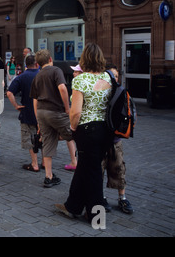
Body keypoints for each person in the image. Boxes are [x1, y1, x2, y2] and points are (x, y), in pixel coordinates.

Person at [54, 43, 114, 223]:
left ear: (84, 59)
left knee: (93, 171)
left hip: (87, 130)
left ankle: (96, 214)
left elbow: (76, 112)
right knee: (85, 167)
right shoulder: (108, 78)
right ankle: (72, 205)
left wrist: (73, 128)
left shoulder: (80, 80)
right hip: (105, 129)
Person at [30, 49, 77, 187]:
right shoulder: (56, 70)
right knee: (74, 134)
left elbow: (35, 100)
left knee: (48, 142)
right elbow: (62, 88)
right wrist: (67, 108)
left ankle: (48, 177)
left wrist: (38, 119)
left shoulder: (37, 76)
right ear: (50, 59)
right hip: (55, 111)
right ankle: (79, 164)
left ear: (38, 63)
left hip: (42, 113)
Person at [102, 64, 134, 214]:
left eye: (116, 76)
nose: (114, 79)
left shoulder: (121, 93)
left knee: (119, 168)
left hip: (115, 140)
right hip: (101, 140)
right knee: (99, 169)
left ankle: (122, 198)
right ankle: (100, 197)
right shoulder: (100, 92)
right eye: (111, 76)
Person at [6, 54, 41, 172]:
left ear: (26, 65)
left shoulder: (22, 77)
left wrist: (16, 106)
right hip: (43, 112)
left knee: (30, 138)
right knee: (45, 138)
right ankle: (46, 163)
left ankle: (34, 163)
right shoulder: (42, 74)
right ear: (37, 64)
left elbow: (10, 93)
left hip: (27, 112)